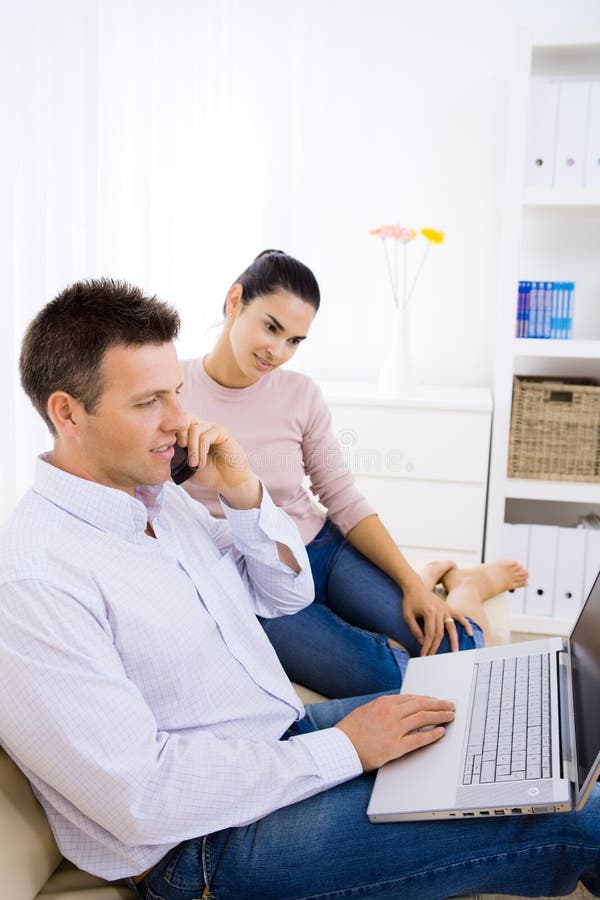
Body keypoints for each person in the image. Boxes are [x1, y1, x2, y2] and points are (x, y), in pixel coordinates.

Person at [0, 277, 597, 900]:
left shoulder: (159, 500)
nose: (180, 423)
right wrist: (347, 748)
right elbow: (142, 799)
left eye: (177, 392)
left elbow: (285, 597)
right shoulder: (34, 580)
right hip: (206, 847)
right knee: (577, 814)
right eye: (150, 401)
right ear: (67, 412)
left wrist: (243, 492)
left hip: (276, 744)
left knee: (517, 735)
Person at [179, 249, 528, 697]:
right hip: (251, 582)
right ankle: (437, 584)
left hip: (323, 551)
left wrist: (408, 584)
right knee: (395, 678)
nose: (278, 351)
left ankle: (467, 585)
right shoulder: (175, 392)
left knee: (458, 651)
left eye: (294, 340)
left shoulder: (299, 393)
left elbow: (341, 496)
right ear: (234, 302)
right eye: (271, 327)